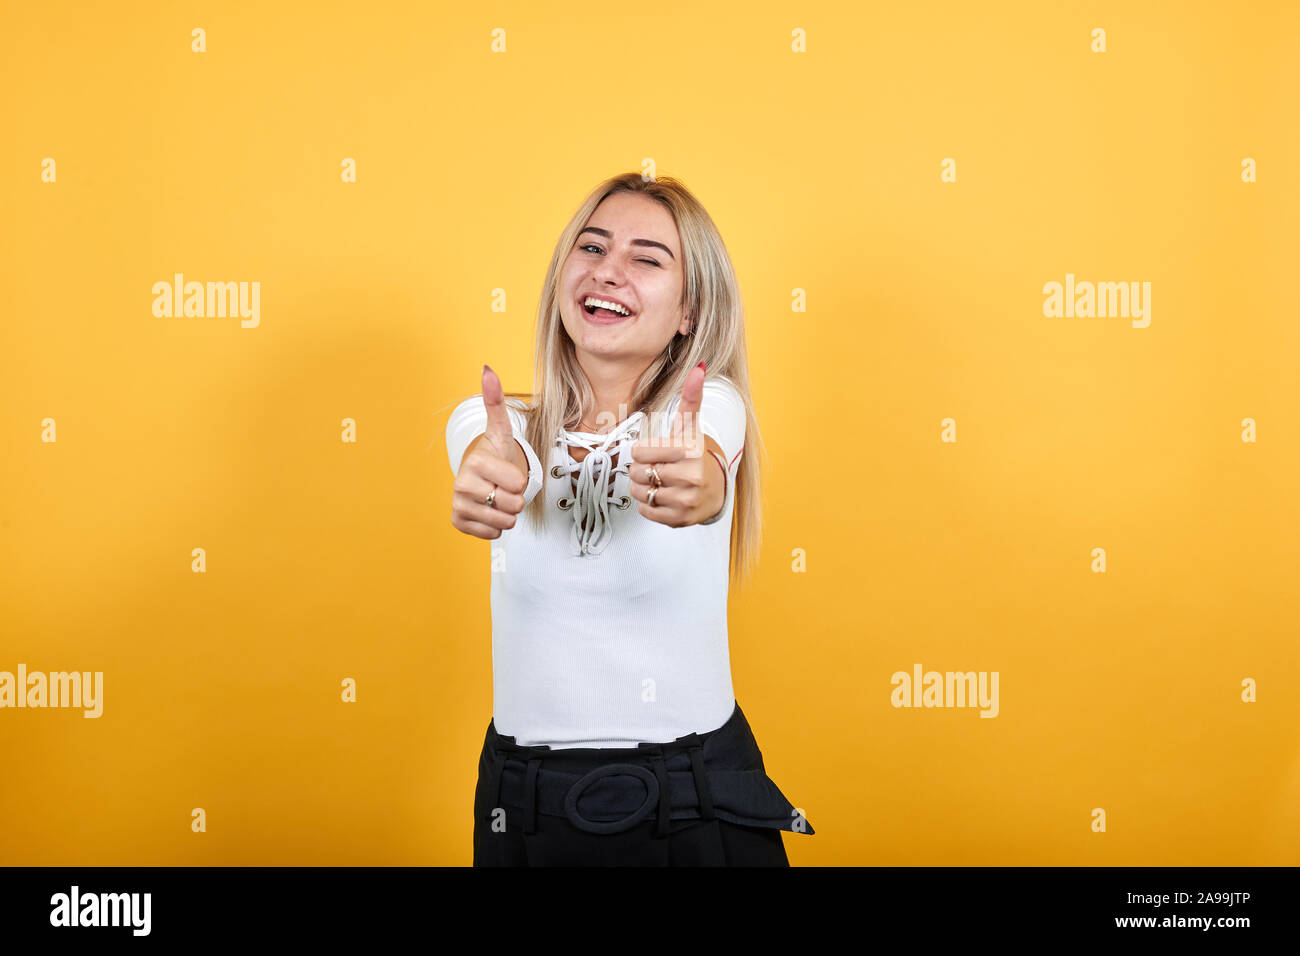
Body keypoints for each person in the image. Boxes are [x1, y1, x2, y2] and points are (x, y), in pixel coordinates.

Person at [445, 172, 814, 866]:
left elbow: (704, 462)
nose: (608, 271)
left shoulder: (709, 410)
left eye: (647, 259)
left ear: (688, 312)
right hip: (520, 805)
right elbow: (492, 457)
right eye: (591, 248)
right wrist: (489, 480)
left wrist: (695, 485)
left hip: (691, 802)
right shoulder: (494, 423)